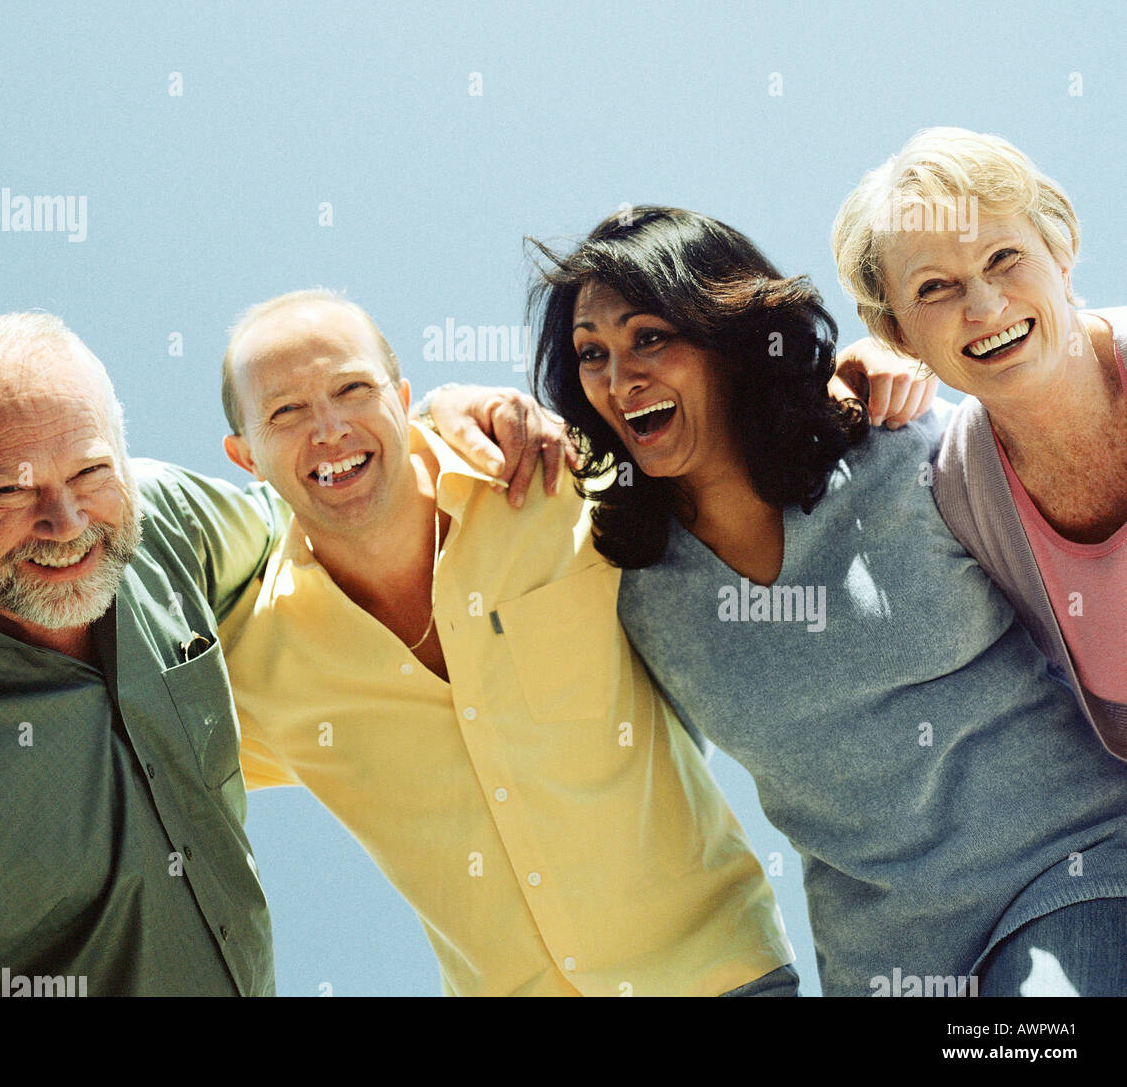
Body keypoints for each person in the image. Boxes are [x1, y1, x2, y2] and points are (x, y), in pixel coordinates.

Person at [0, 311, 564, 996]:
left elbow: (313, 494)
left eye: (89, 473)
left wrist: (441, 419)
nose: (67, 522)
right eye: (10, 493)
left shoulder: (164, 523)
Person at [530, 206, 1127, 998]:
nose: (619, 377)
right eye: (590, 355)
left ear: (730, 339)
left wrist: (890, 360)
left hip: (1068, 872)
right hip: (880, 963)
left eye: (651, 337)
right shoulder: (626, 585)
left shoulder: (900, 449)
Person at [216, 288, 797, 997]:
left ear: (403, 397)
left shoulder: (557, 481)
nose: (331, 428)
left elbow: (733, 443)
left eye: (352, 389)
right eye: (286, 411)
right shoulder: (256, 667)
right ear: (244, 455)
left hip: (720, 976)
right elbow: (126, 767)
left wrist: (867, 371)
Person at [832, 126, 1127, 760]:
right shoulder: (956, 493)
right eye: (933, 288)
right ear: (897, 334)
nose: (985, 305)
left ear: (1061, 248)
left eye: (1003, 258)